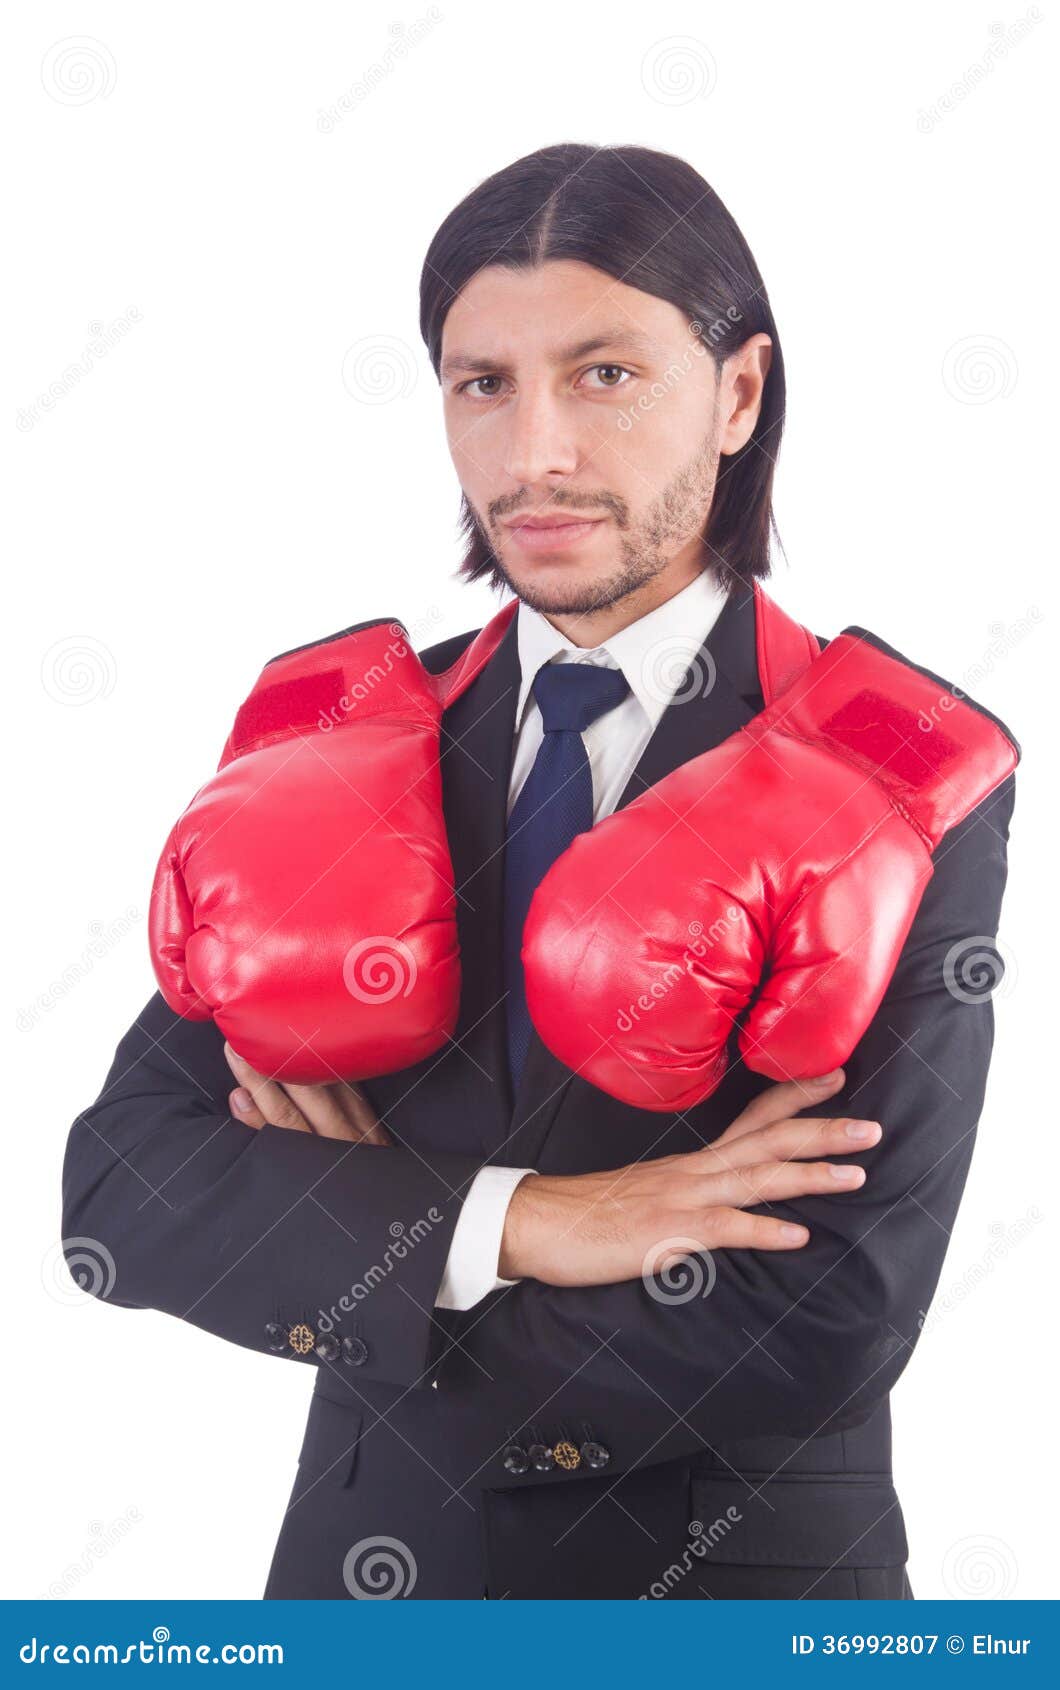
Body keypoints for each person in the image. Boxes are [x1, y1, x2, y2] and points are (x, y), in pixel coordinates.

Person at [61, 142, 1016, 1600]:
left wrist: (373, 1260)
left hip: (736, 1603)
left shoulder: (894, 762)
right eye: (482, 383)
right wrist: (528, 1222)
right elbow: (125, 1189)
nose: (535, 455)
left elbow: (830, 1309)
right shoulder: (339, 736)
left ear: (741, 392)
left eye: (605, 374)